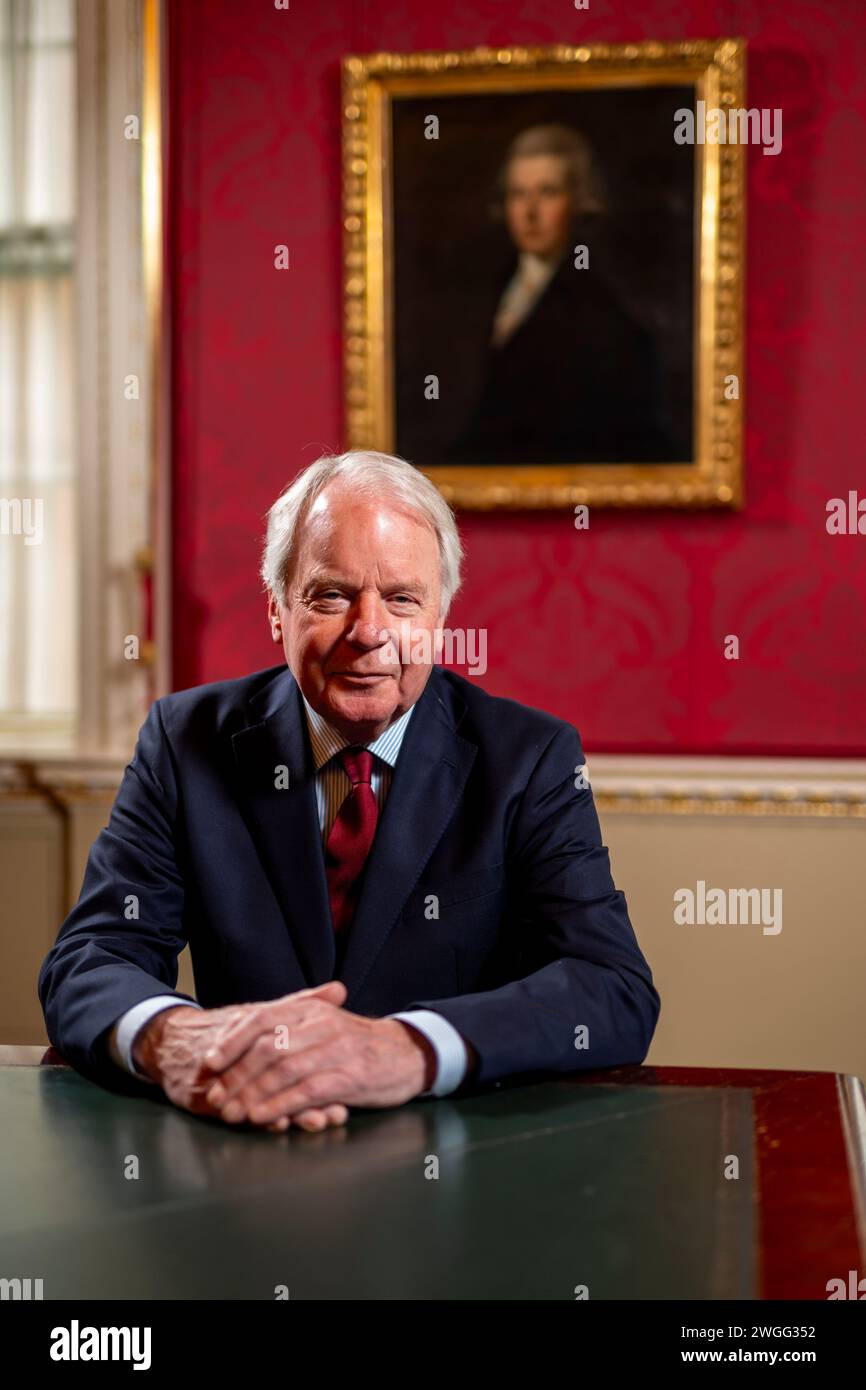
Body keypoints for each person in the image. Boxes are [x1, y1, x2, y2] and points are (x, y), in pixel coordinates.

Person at [39, 450, 660, 1133]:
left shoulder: (529, 759)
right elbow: (91, 959)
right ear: (278, 610)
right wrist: (179, 1040)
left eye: (401, 599)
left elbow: (612, 989)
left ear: (439, 619)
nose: (369, 633)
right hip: (245, 1156)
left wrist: (407, 1048)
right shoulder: (185, 742)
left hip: (460, 1168)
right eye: (332, 595)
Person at [449, 124, 674, 464]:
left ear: (579, 201)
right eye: (518, 194)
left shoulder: (601, 313)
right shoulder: (485, 288)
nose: (530, 211)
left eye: (548, 192)